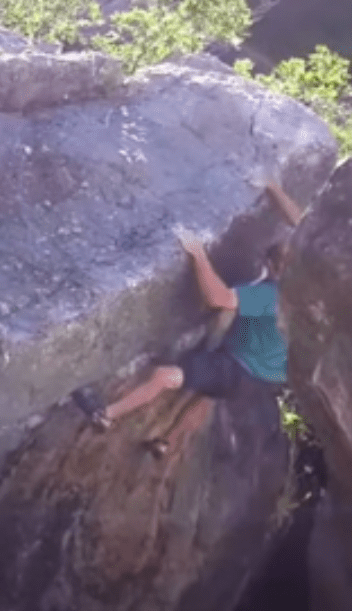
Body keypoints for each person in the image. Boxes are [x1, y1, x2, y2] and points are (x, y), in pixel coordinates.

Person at [71, 179, 304, 457]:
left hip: (239, 369)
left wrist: (198, 254)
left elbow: (218, 299)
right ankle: (164, 441)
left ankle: (105, 415)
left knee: (166, 377)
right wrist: (273, 188)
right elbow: (305, 227)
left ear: (273, 267)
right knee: (207, 394)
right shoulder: (314, 285)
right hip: (270, 375)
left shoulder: (269, 296)